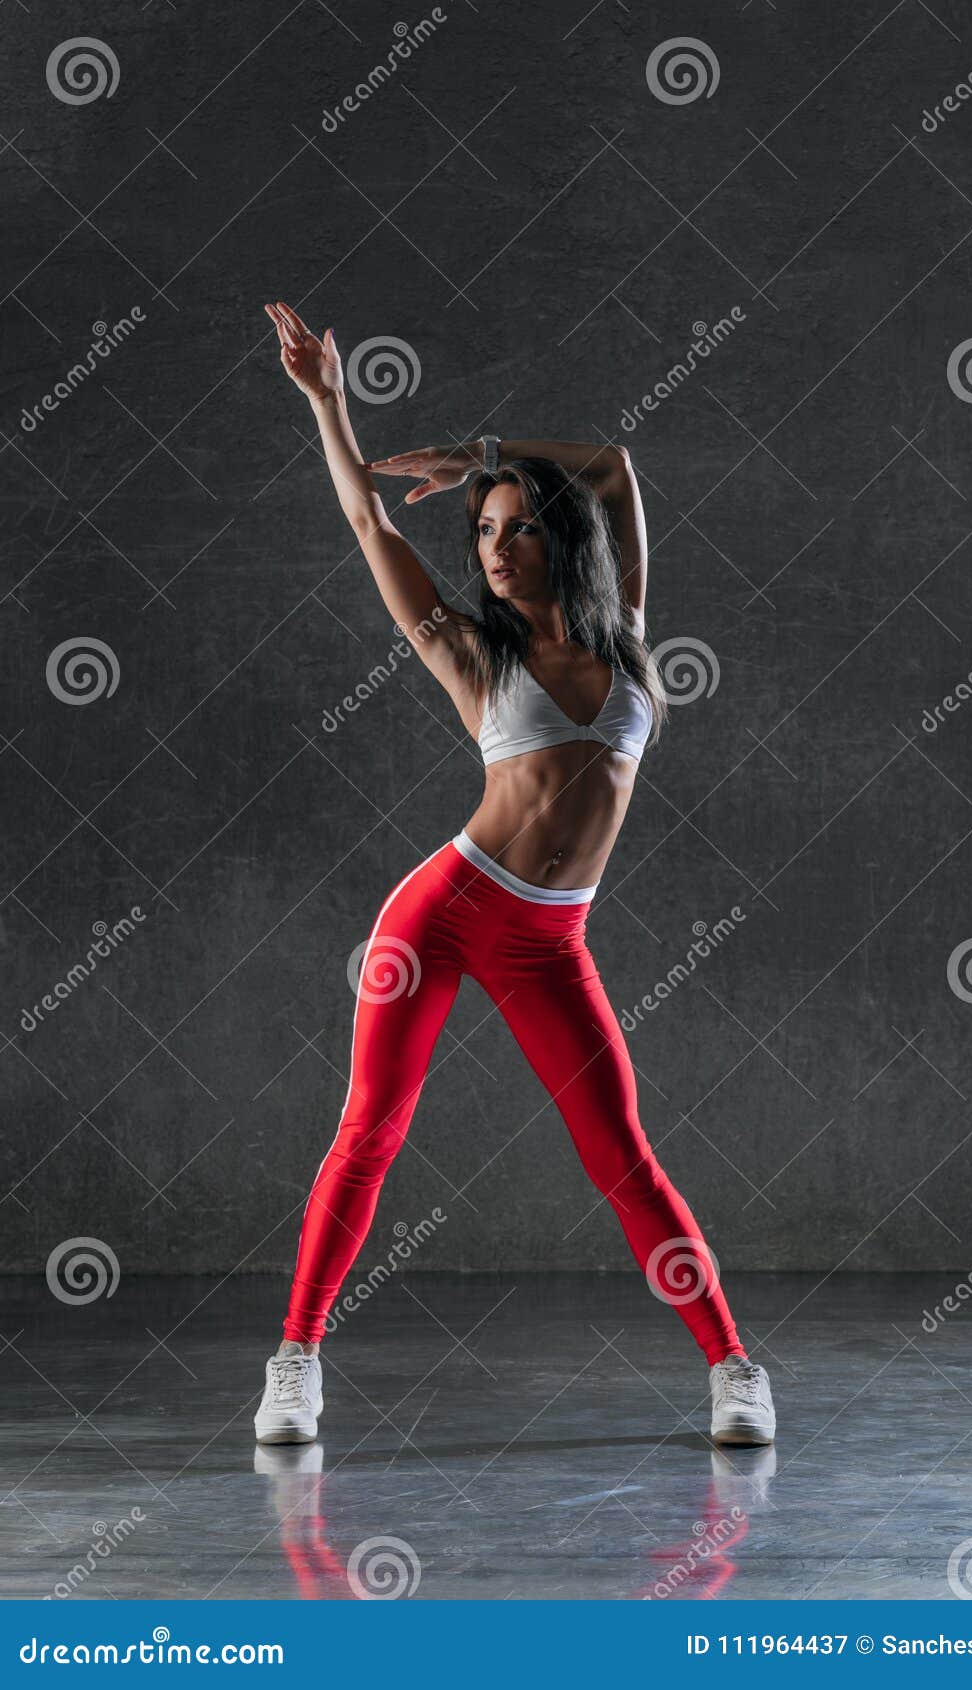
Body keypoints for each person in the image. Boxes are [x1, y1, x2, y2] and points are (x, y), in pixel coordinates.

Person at [252, 300, 775, 1451]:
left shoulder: (626, 635)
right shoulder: (467, 651)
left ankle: (734, 1368)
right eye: (481, 530)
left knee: (621, 1156)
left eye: (513, 527)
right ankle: (296, 1360)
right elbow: (363, 517)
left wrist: (484, 455)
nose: (491, 544)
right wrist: (328, 404)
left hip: (550, 939)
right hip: (439, 915)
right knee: (371, 1131)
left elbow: (613, 466)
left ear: (557, 540)